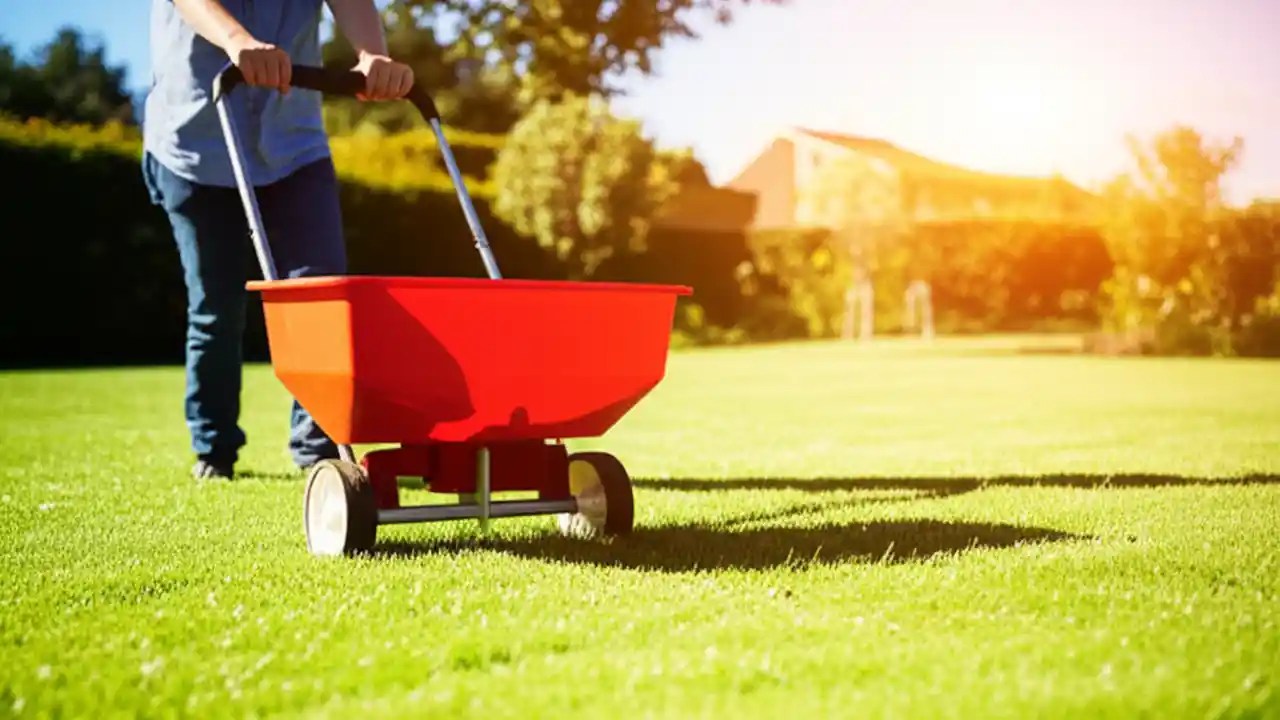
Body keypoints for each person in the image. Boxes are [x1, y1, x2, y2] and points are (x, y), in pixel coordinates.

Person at [141, 0, 414, 480]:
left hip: (293, 143)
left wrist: (372, 54)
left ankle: (319, 454)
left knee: (322, 299)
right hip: (195, 143)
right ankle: (215, 451)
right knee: (216, 306)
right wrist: (237, 41)